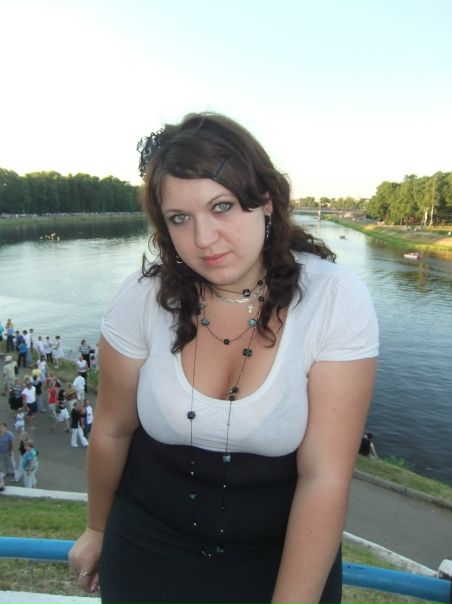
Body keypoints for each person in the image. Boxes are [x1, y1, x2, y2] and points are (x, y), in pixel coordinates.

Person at [69, 112, 378, 603]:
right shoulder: (140, 298)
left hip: (280, 559)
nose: (204, 238)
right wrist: (97, 528)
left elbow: (325, 477)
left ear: (266, 202)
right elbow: (111, 428)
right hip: (145, 549)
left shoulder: (334, 301)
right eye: (180, 218)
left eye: (222, 207)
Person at [0, 422, 15, 491]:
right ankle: (5, 471)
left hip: (8, 451)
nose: (0, 429)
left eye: (2, 427)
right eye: (0, 427)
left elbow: (12, 443)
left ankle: (14, 472)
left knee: (11, 462)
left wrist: (11, 451)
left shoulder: (10, 434)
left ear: (5, 428)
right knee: (3, 462)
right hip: (1, 452)